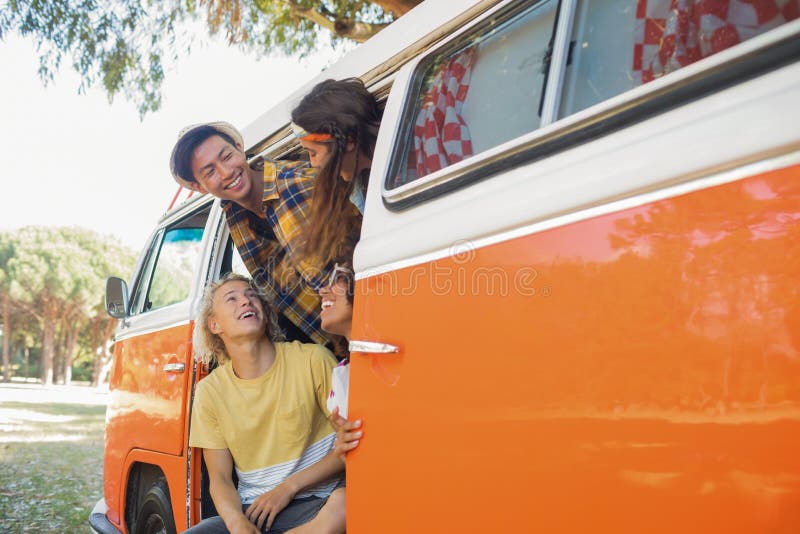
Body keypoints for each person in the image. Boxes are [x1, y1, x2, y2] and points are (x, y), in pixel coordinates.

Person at [186, 273, 345, 534]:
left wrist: (288, 488)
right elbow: (220, 480)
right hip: (255, 512)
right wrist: (237, 523)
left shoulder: (313, 360)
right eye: (232, 298)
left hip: (320, 503)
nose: (246, 302)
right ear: (214, 325)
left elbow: (351, 448)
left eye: (252, 296)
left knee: (345, 506)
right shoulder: (209, 392)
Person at [169, 122, 332, 348]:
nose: (226, 173)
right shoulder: (234, 216)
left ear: (239, 147)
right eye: (210, 171)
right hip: (322, 341)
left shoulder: (301, 182)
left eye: (226, 157)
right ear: (200, 186)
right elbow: (276, 287)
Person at [290, 78, 384, 267]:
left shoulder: (414, 165)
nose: (312, 163)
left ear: (349, 141)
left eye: (313, 153)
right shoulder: (360, 190)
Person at [317, 263, 363, 459]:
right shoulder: (343, 374)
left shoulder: (400, 353)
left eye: (338, 278)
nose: (322, 291)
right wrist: (347, 451)